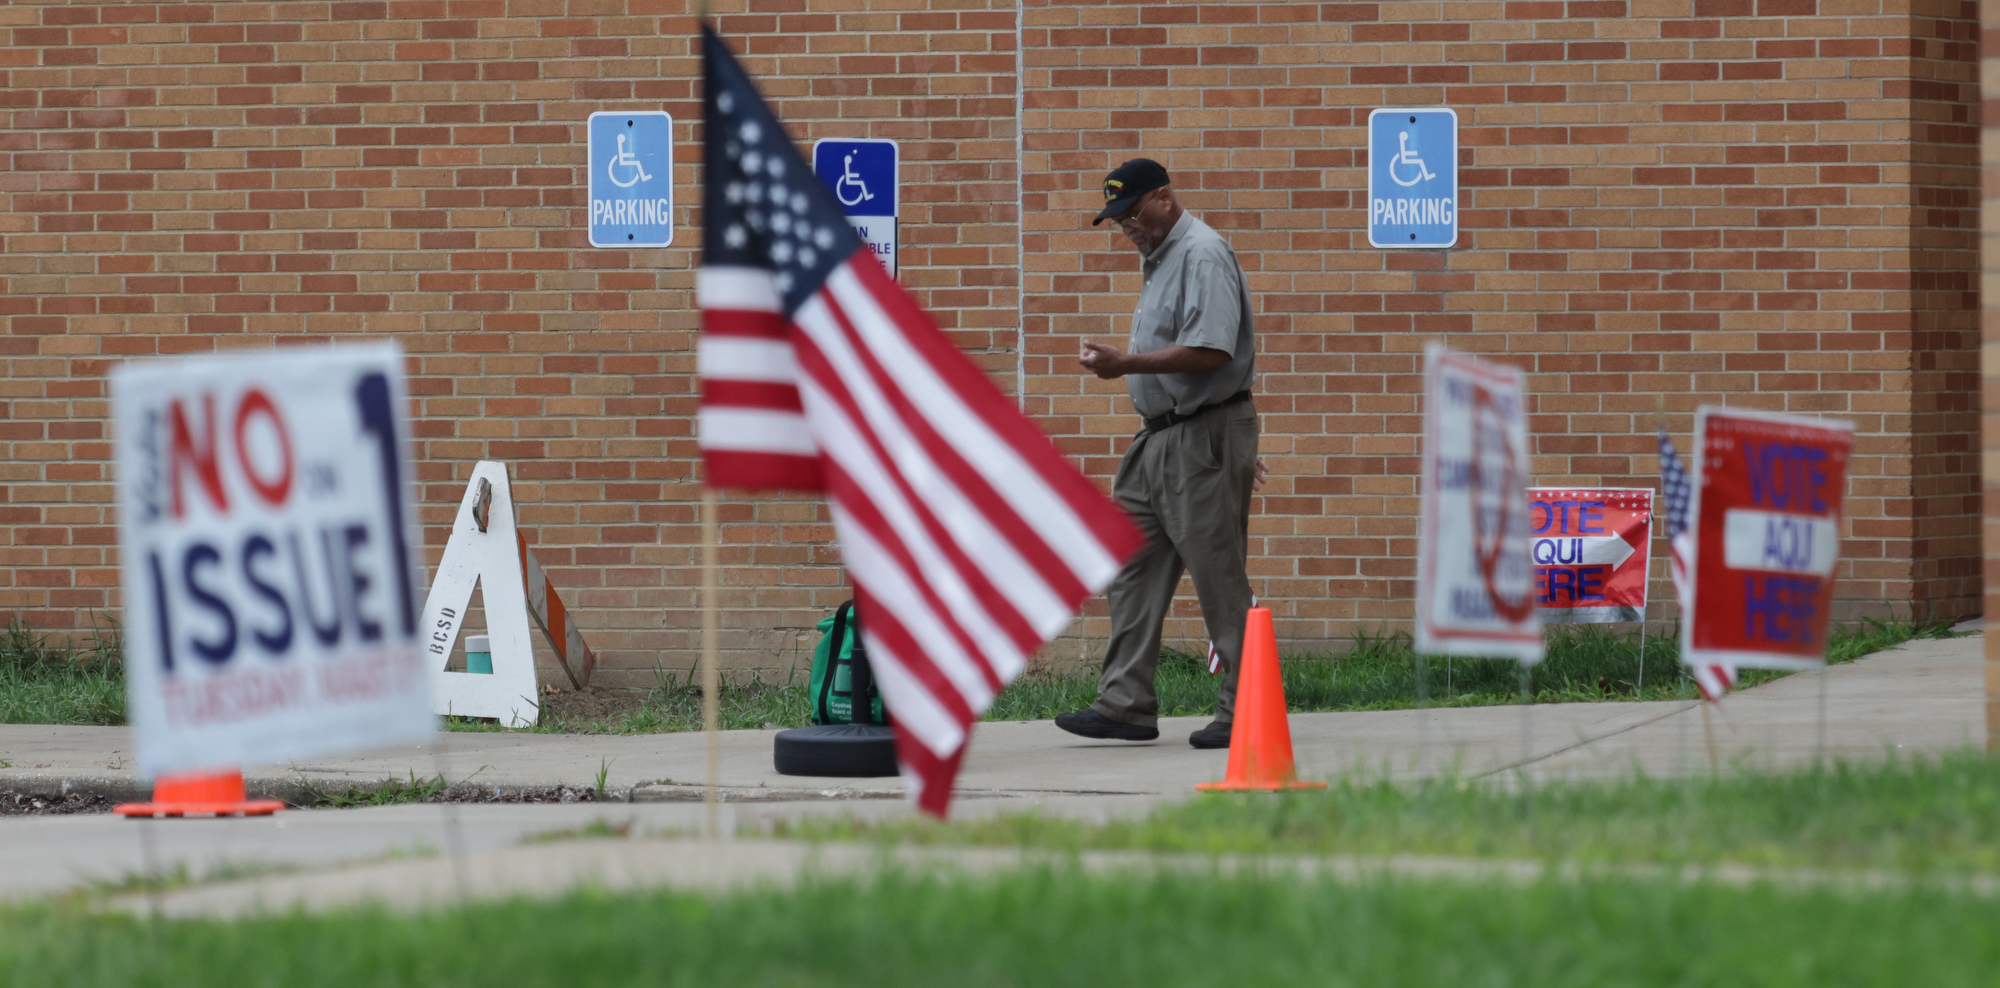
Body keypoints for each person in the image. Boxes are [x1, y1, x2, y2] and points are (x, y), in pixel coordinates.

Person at [1055, 158, 1263, 750]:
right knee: (1131, 562)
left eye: (1132, 214)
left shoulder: (1201, 253)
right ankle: (1125, 705)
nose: (1128, 228)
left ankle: (1245, 708)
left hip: (1202, 435)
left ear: (1165, 198)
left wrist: (1126, 365)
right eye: (1118, 220)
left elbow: (1212, 350)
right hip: (1164, 438)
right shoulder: (1163, 260)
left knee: (1218, 576)